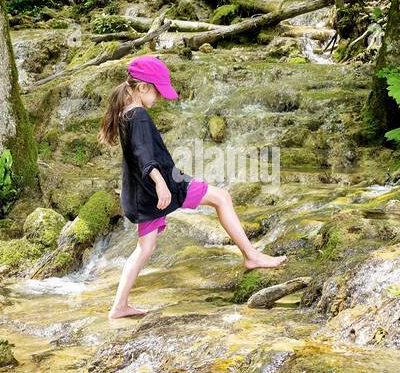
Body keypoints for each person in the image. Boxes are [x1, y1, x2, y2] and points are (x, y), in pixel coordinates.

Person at [98, 55, 285, 319]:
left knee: (146, 248)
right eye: (157, 93)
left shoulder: (126, 114)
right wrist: (162, 185)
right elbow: (143, 155)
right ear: (142, 88)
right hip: (163, 185)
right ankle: (251, 256)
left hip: (145, 192)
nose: (159, 99)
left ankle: (119, 306)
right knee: (221, 197)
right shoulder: (138, 116)